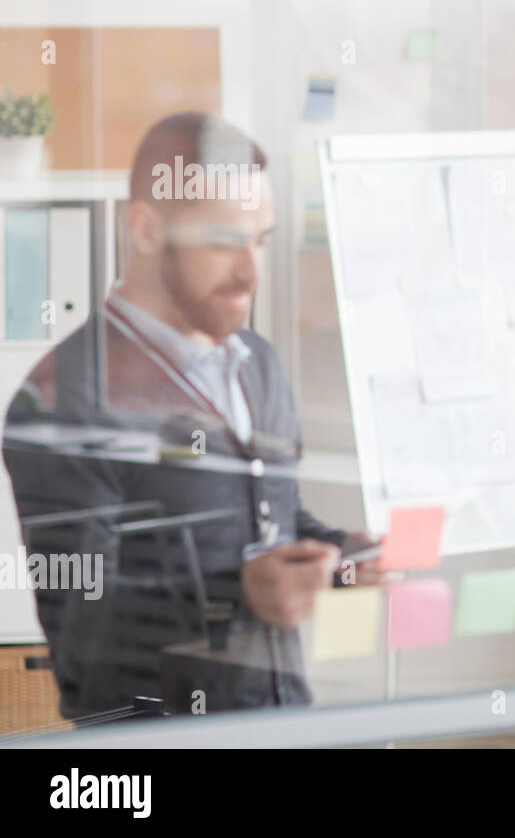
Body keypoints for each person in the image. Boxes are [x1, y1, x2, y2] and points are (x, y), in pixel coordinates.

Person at [3, 112, 380, 720]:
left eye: (259, 240)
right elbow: (79, 635)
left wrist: (338, 556)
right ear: (147, 229)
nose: (251, 272)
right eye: (224, 240)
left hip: (283, 722)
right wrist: (237, 597)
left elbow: (268, 521)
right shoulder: (61, 400)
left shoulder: (256, 363)